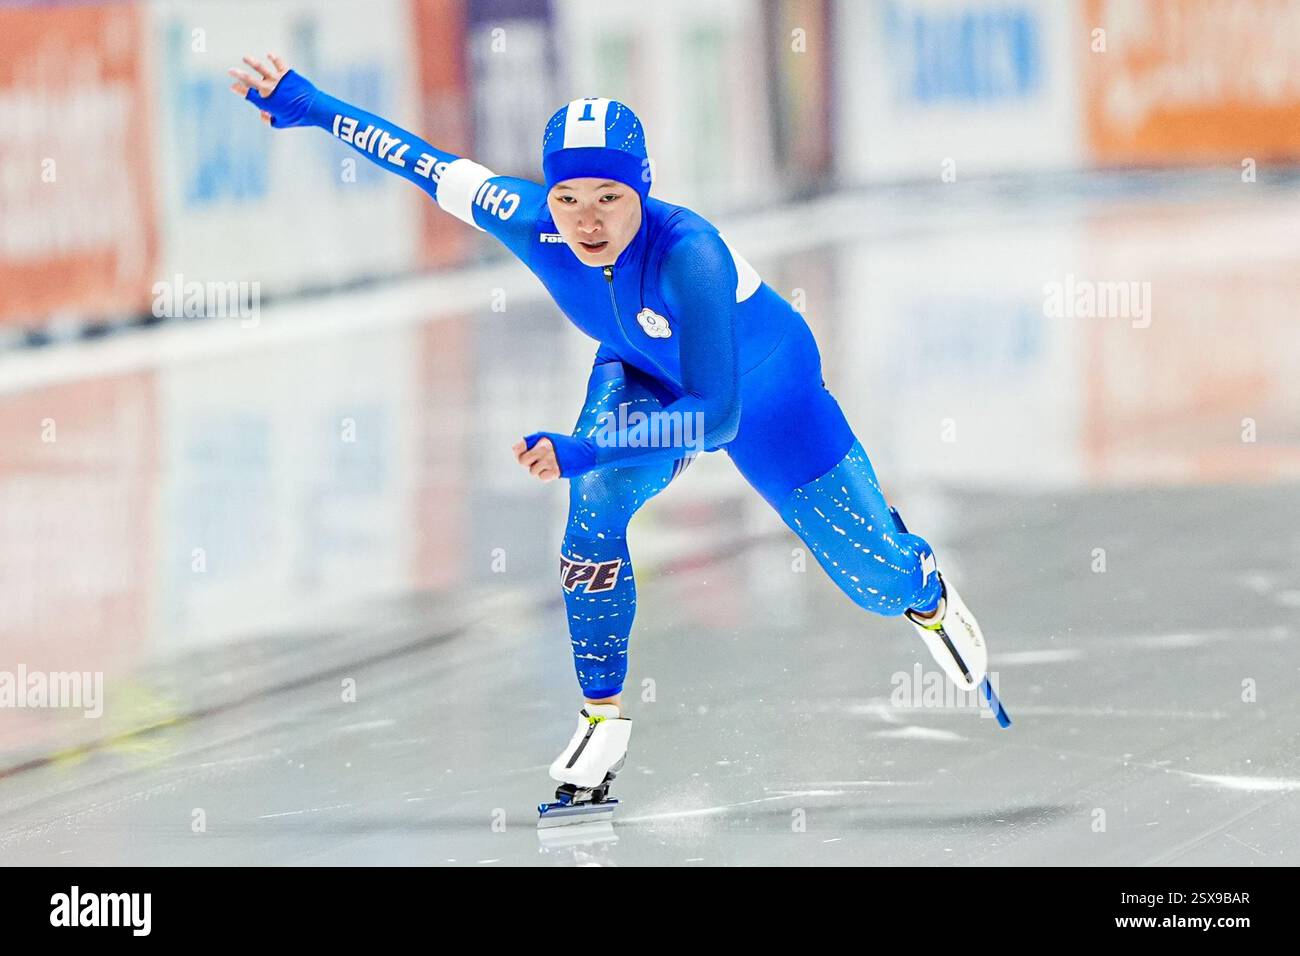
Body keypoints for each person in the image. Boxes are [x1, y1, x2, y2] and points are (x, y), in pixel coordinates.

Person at [229, 54, 991, 808]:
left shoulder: (690, 255)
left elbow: (716, 416)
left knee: (874, 583)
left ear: (644, 191)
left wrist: (583, 448)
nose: (586, 220)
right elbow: (422, 162)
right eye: (566, 197)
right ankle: (601, 717)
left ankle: (922, 588)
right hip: (641, 372)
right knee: (592, 506)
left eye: (608, 198)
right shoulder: (531, 222)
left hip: (765, 397)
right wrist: (307, 104)